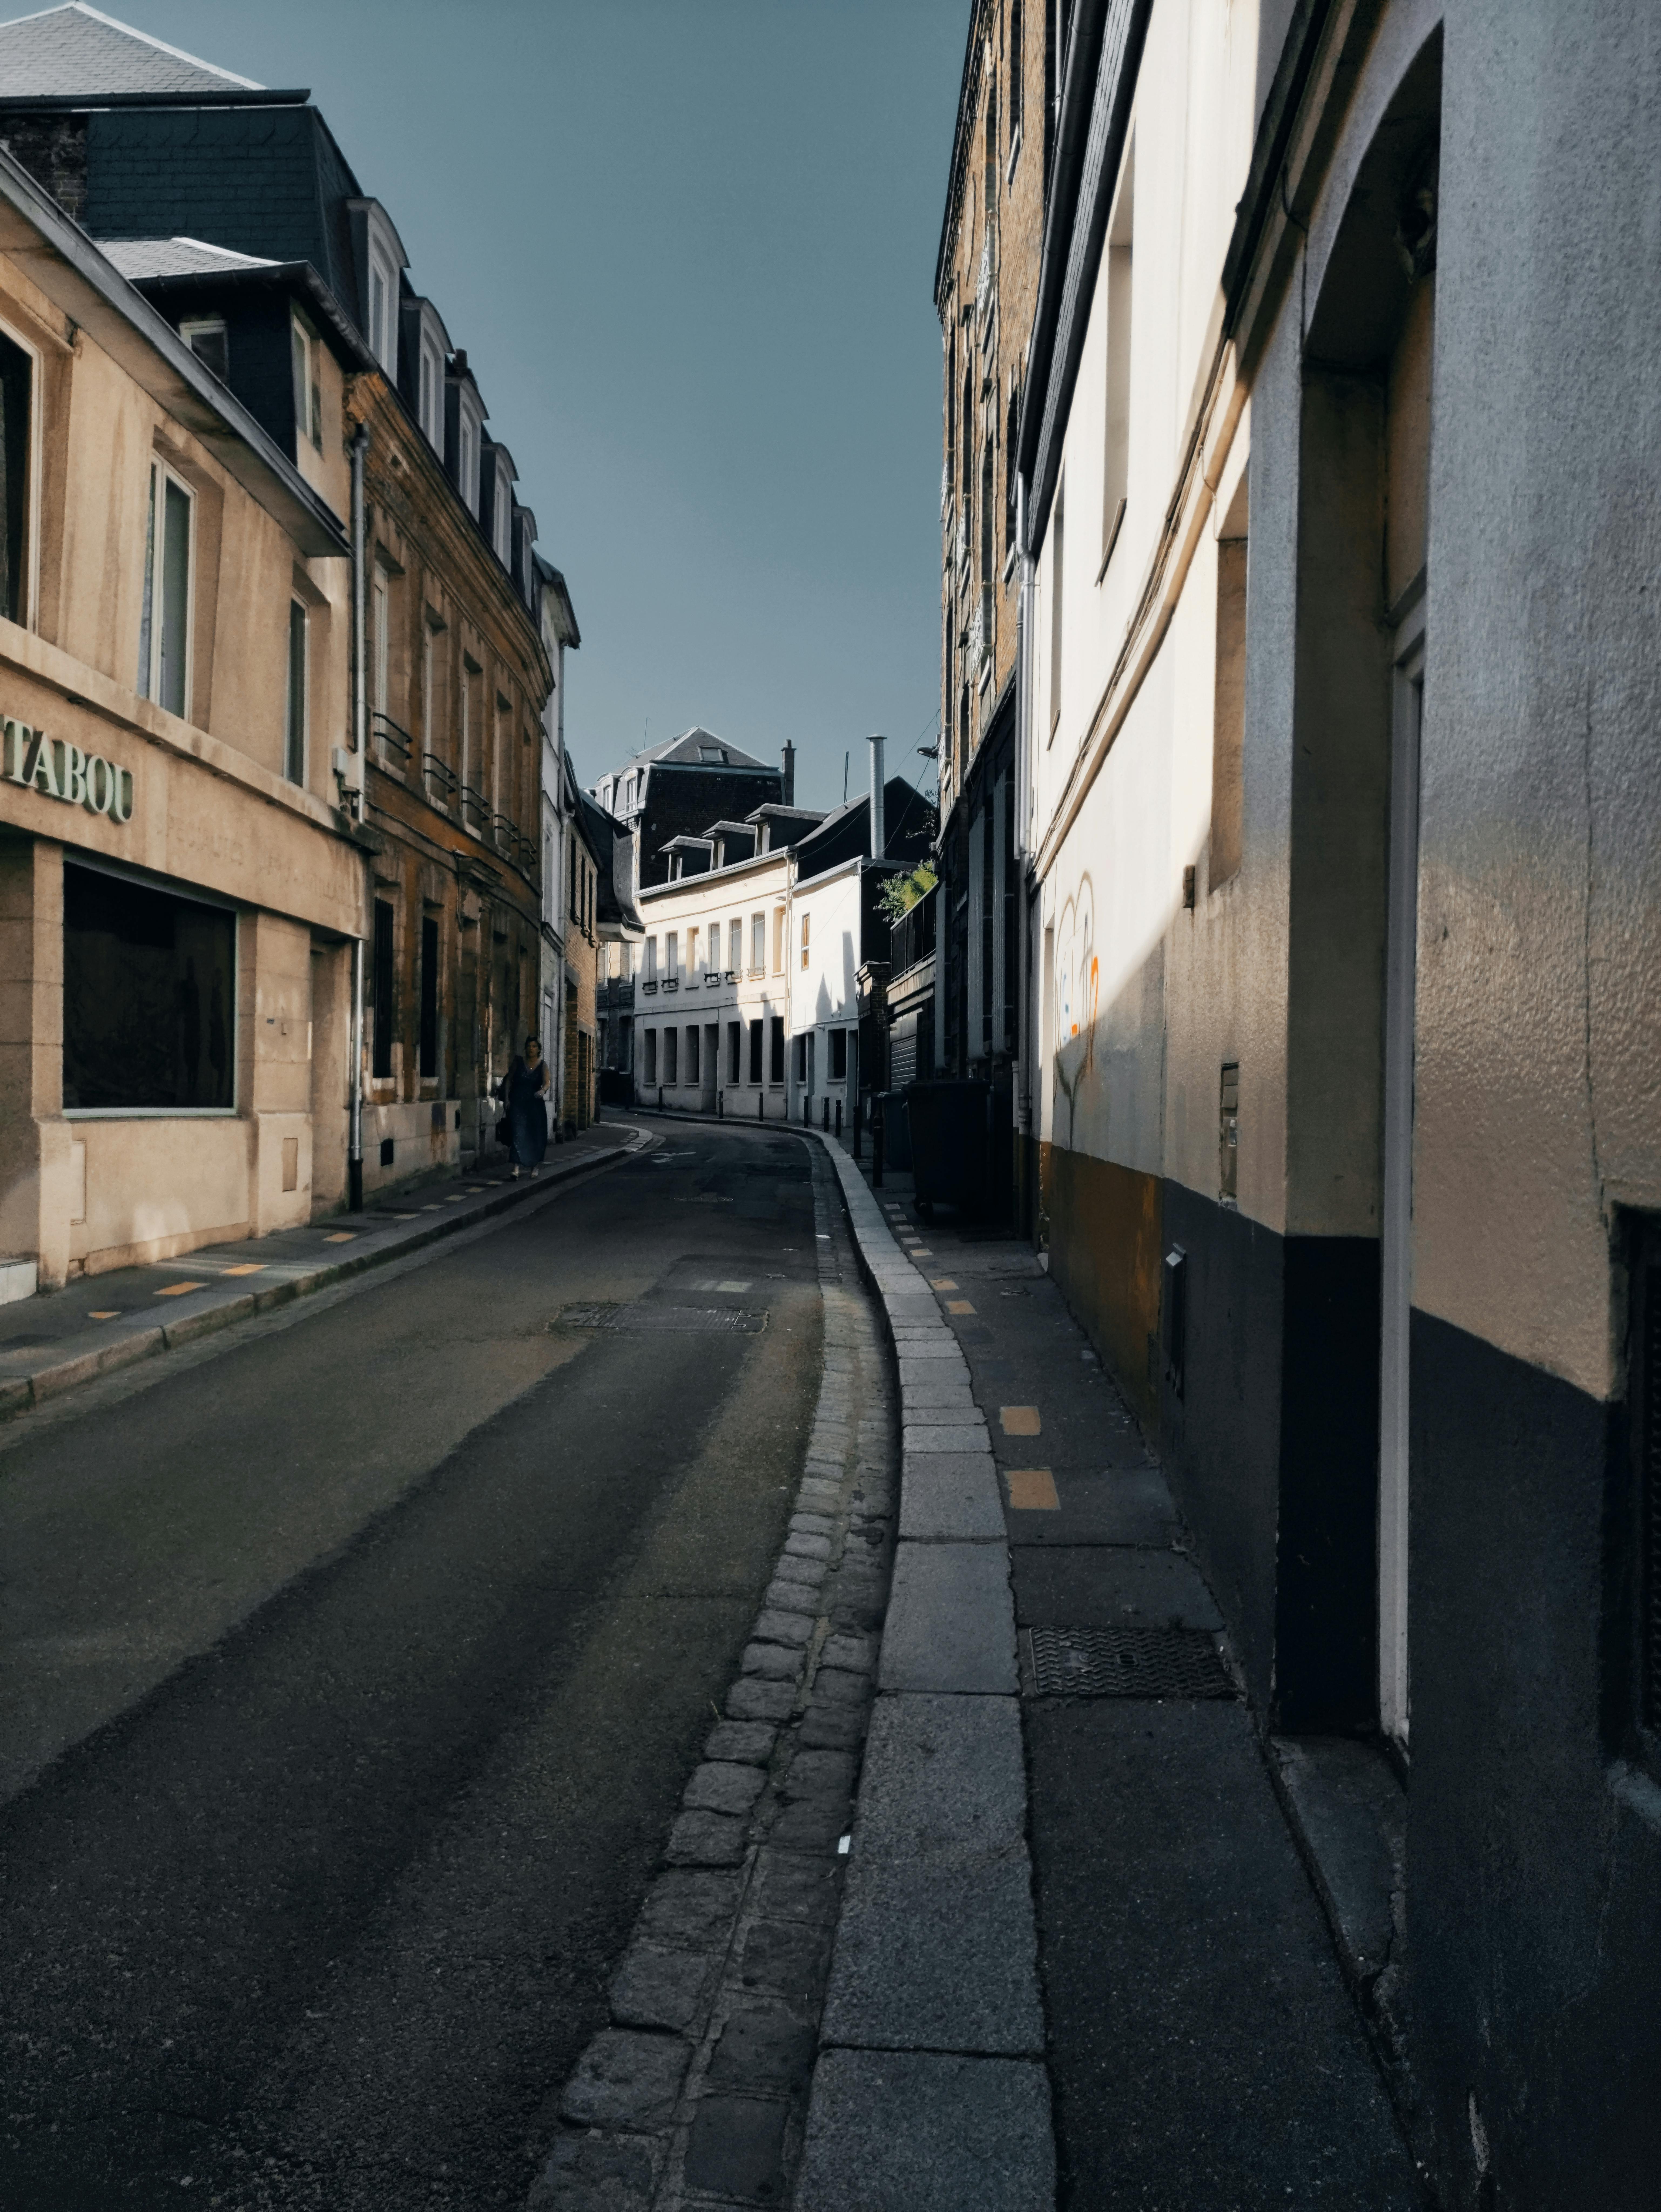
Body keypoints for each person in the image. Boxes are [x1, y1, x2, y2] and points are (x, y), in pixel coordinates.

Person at [500, 1036, 551, 1177]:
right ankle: (516, 1168)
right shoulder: (518, 1062)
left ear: (539, 1049)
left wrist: (543, 1091)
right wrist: (506, 1099)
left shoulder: (543, 1065)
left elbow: (547, 1083)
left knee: (535, 1135)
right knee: (518, 1134)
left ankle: (534, 1166)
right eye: (529, 1046)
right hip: (518, 1103)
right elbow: (509, 1080)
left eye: (535, 1047)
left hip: (535, 1105)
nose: (531, 1049)